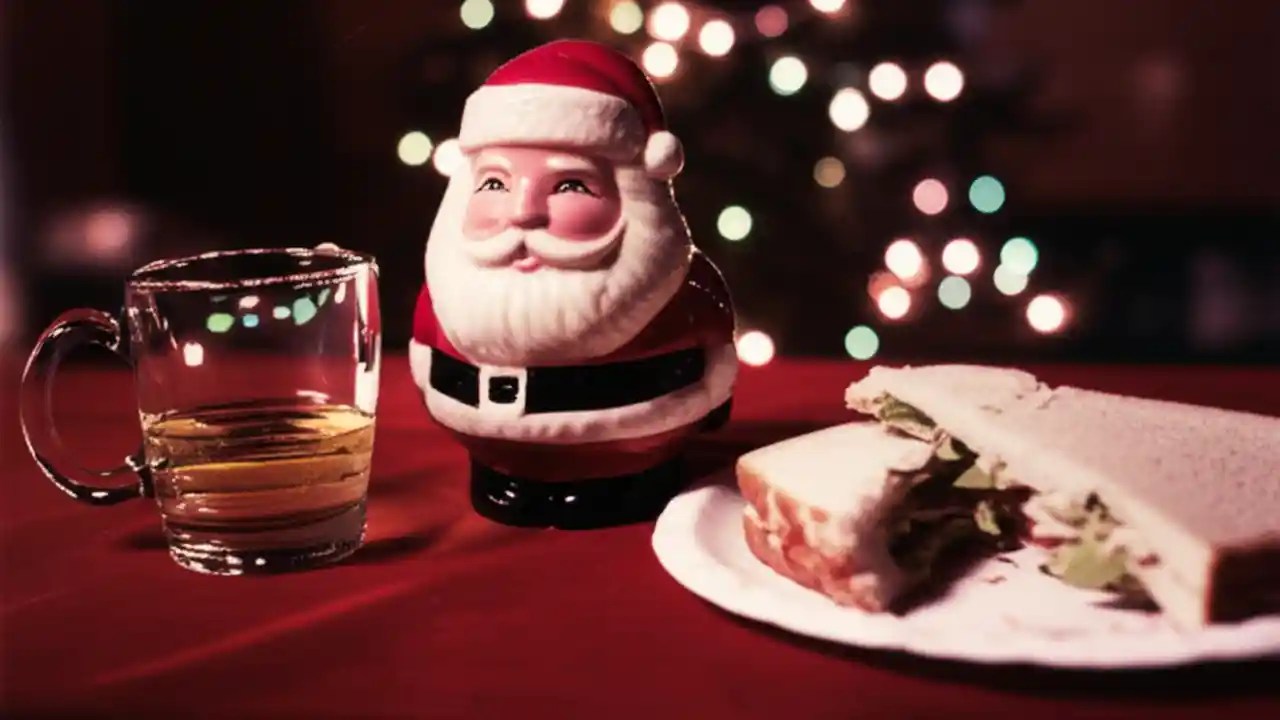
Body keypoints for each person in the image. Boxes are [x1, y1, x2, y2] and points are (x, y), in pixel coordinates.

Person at [410, 40, 737, 528]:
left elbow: (713, 351)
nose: (522, 212)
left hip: (640, 476)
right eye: (495, 183)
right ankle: (510, 477)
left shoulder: (680, 291)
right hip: (493, 468)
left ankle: (625, 480)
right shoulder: (450, 289)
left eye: (570, 185)